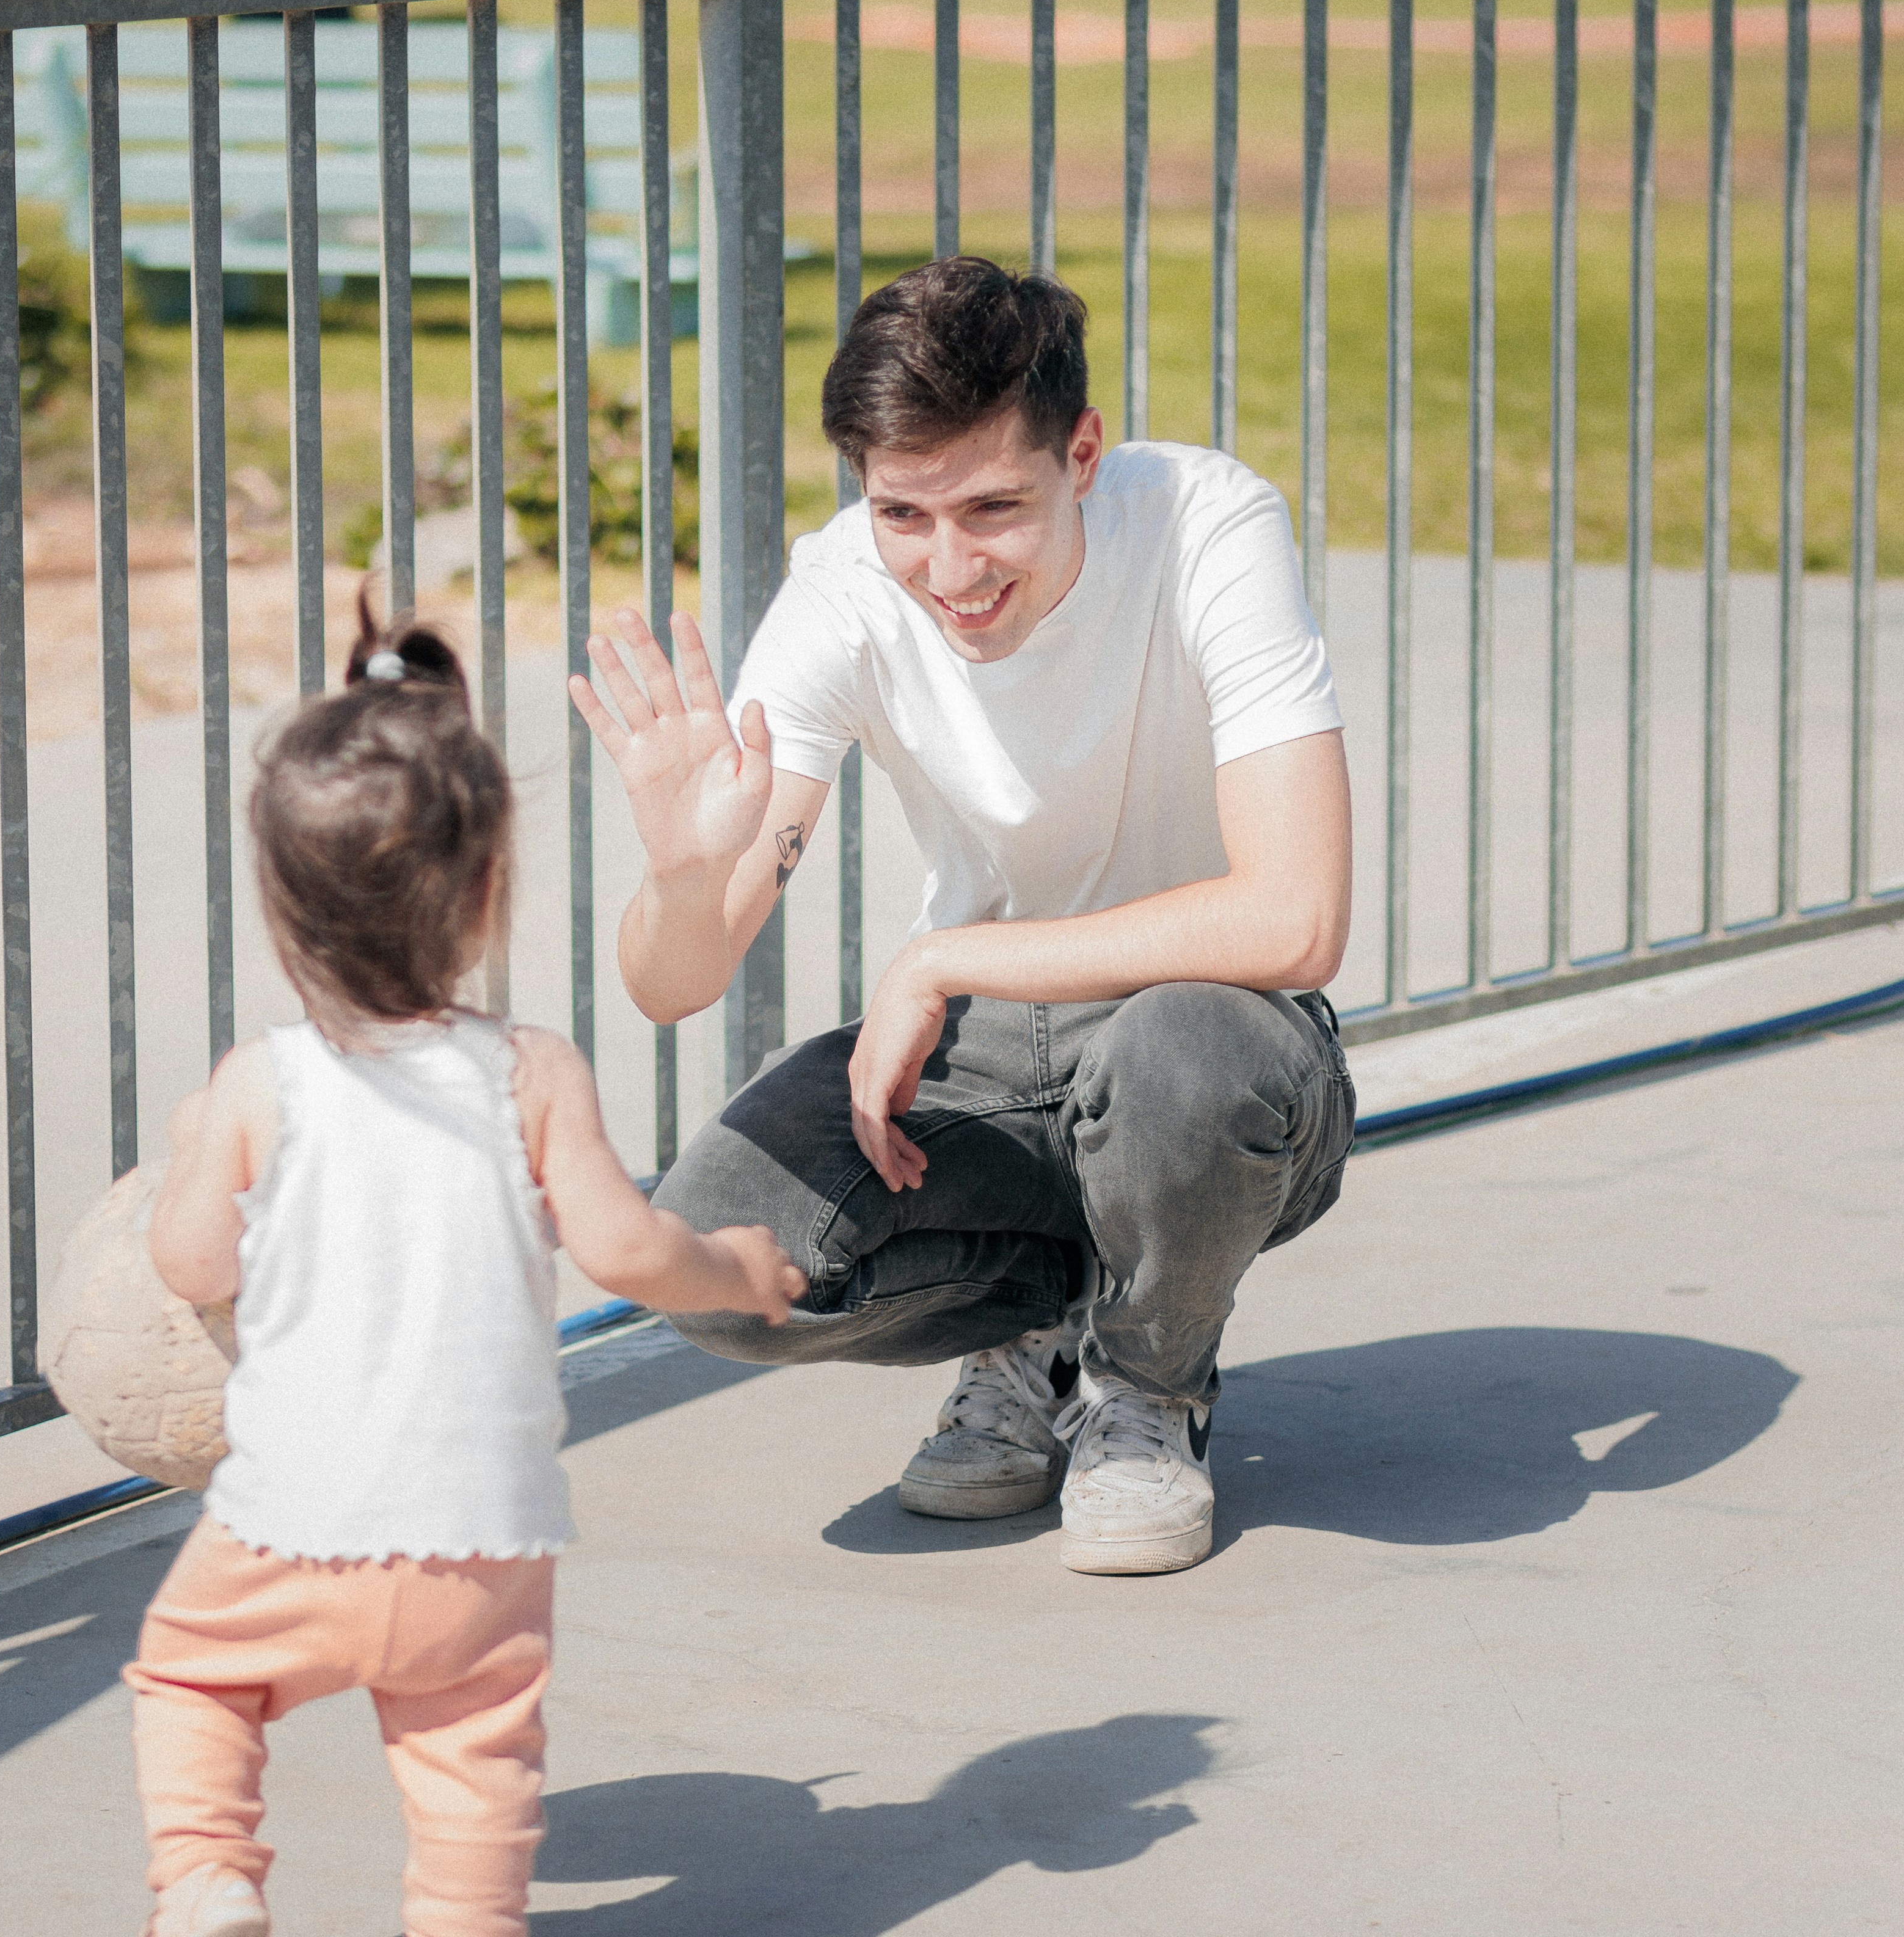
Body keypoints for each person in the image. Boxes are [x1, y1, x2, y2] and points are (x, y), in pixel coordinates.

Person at [566, 255, 1355, 1579]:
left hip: (1222, 1044)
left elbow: (1297, 917)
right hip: (996, 1061)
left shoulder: (1211, 524)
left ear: (1085, 453)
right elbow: (671, 985)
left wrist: (943, 959)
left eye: (995, 506)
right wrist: (684, 874)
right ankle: (1046, 1327)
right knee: (709, 1254)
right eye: (904, 513)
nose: (952, 567)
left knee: (1182, 1059)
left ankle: (1146, 1390)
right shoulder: (843, 594)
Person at [127, 610, 806, 1937]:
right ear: (491, 897)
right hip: (479, 1542)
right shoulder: (532, 1074)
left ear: (279, 923)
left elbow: (188, 1257)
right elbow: (625, 1250)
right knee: (470, 1775)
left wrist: (192, 1159)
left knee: (194, 1682)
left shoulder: (259, 1086)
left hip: (293, 1523)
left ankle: (210, 1884)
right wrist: (732, 1266)